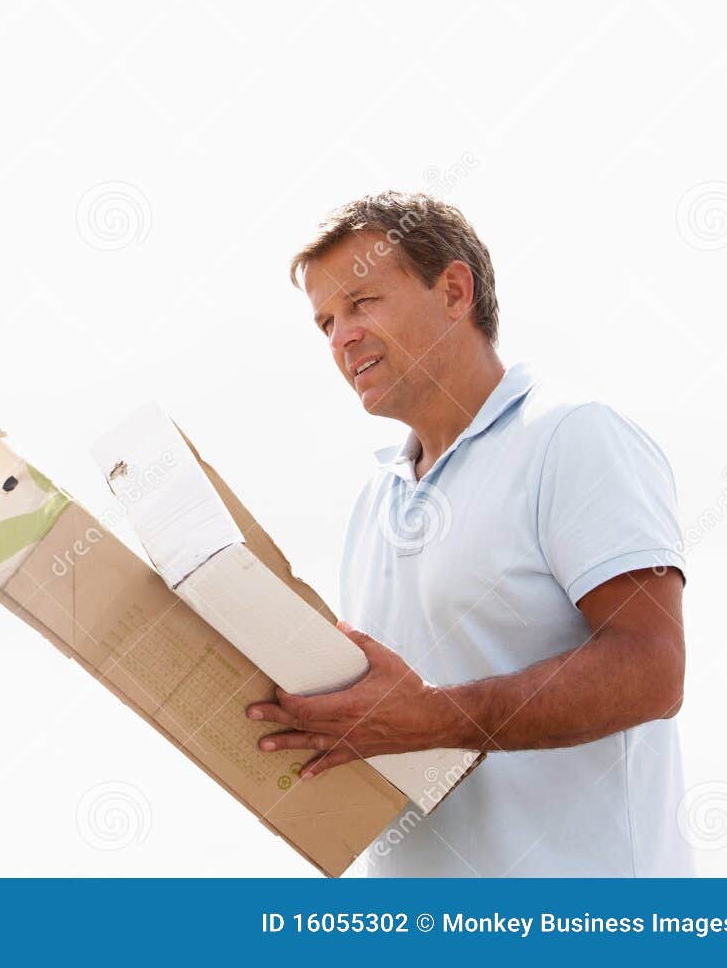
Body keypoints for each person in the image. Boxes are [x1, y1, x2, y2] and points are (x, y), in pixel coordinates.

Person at [246, 191, 691, 876]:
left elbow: (654, 669)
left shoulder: (572, 437)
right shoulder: (376, 501)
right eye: (326, 321)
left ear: (454, 290)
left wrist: (435, 718)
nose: (341, 338)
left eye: (362, 302)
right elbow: (385, 725)